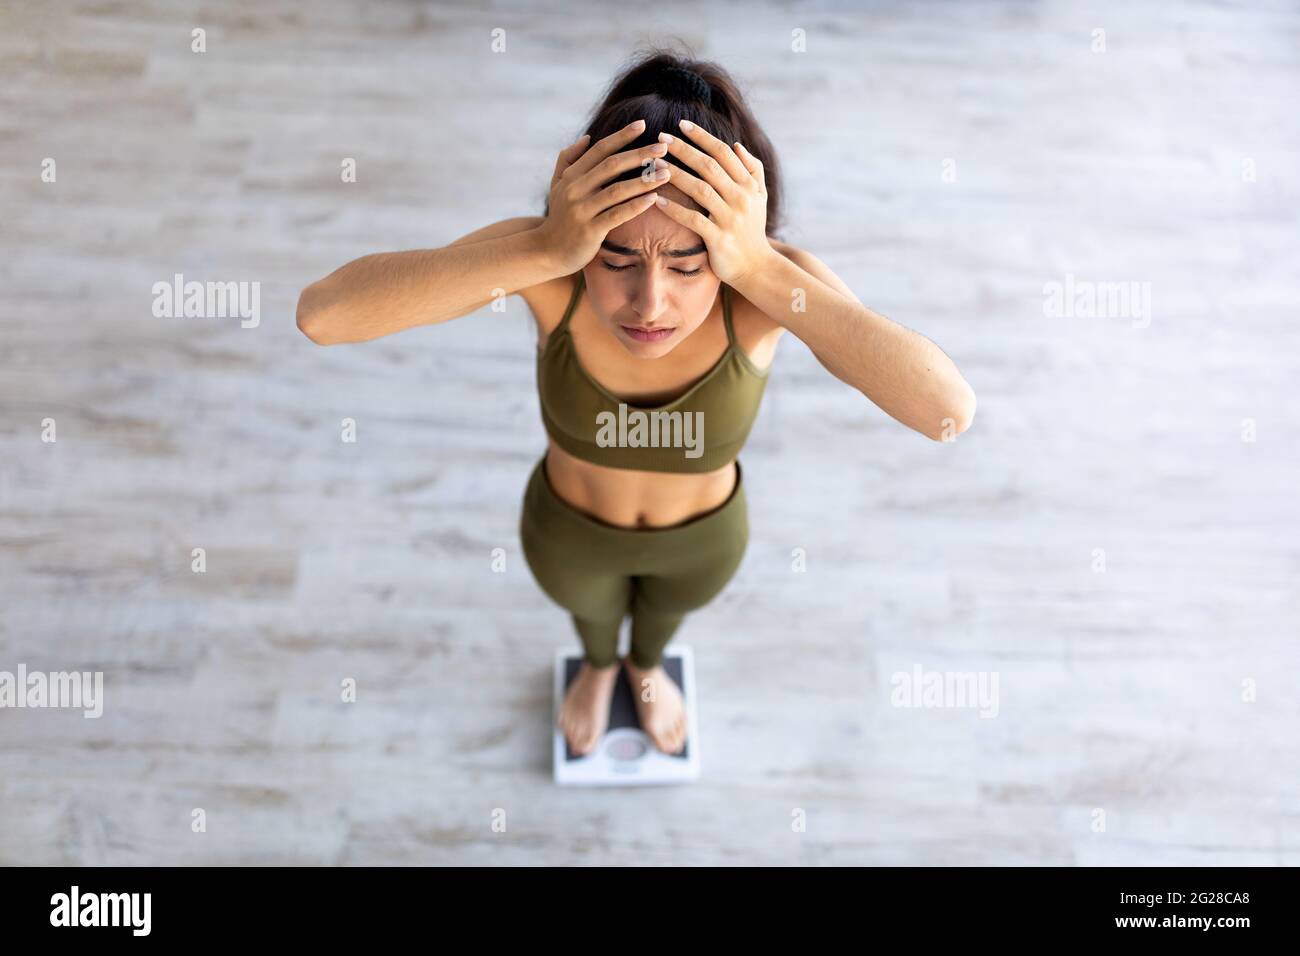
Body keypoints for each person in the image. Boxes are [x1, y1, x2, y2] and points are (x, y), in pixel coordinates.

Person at [295, 49, 977, 759]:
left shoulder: (766, 291)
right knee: (592, 626)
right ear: (583, 235)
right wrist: (545, 248)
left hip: (702, 546)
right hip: (568, 537)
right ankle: (598, 667)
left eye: (688, 265)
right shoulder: (549, 268)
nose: (650, 303)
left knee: (658, 630)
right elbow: (324, 315)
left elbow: (946, 409)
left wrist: (757, 267)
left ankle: (644, 669)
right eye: (617, 261)